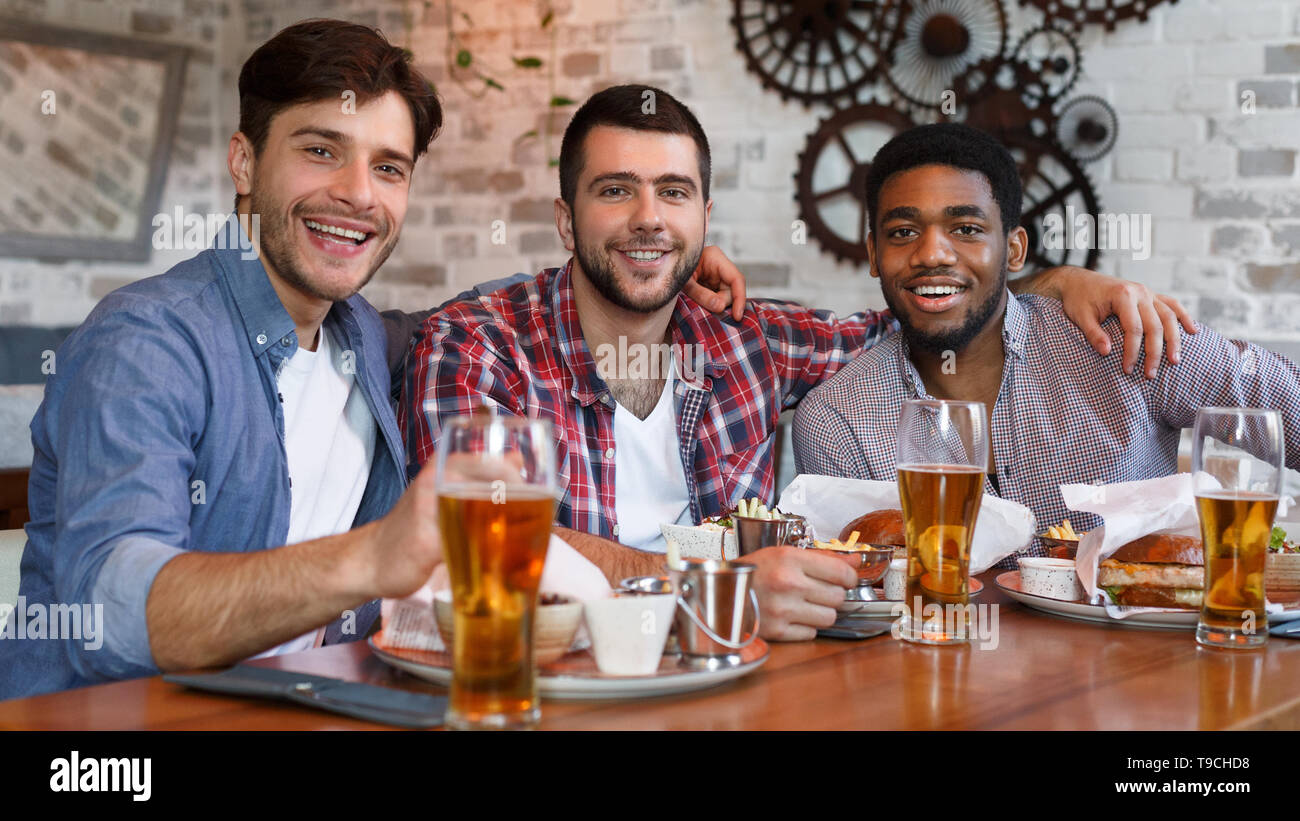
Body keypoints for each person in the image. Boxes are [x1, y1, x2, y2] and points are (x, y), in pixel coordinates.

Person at [402, 85, 1191, 640]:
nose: (648, 218)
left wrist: (1055, 281)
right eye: (617, 190)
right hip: (555, 678)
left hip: (733, 680)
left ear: (704, 218)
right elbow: (464, 535)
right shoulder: (479, 341)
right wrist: (721, 592)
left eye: (673, 193)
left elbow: (927, 302)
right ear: (566, 221)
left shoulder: (748, 341)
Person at [0, 20, 458, 699]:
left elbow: (481, 315)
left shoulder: (360, 335)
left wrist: (662, 279)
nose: (360, 193)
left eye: (388, 167)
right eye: (322, 150)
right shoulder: (146, 342)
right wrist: (371, 557)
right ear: (243, 162)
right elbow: (114, 614)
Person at [792, 122, 1300, 558]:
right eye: (902, 233)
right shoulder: (839, 420)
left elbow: (1289, 410)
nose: (933, 254)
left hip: (1147, 665)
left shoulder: (1122, 336)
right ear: (874, 254)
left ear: (1014, 250)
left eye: (966, 228)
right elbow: (866, 597)